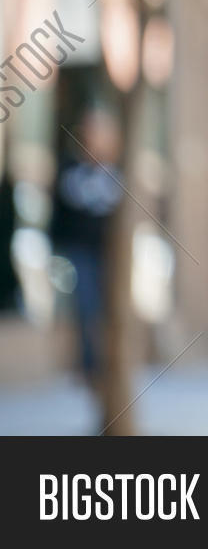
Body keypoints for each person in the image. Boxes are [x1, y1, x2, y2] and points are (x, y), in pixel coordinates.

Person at [48, 109, 123, 386]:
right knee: (86, 305)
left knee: (107, 307)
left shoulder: (115, 170)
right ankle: (89, 365)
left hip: (107, 251)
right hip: (78, 249)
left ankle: (105, 362)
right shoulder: (70, 169)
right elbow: (63, 207)